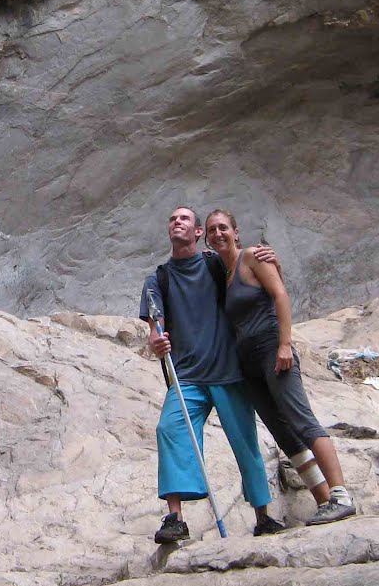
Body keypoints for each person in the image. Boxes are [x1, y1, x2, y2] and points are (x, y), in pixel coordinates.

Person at [141, 207, 287, 543]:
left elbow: (252, 276)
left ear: (197, 234)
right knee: (170, 428)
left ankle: (262, 516)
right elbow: (154, 326)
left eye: (184, 220)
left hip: (227, 370)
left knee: (244, 441)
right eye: (172, 219)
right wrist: (156, 340)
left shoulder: (215, 264)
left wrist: (271, 261)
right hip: (188, 376)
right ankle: (175, 518)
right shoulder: (158, 278)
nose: (177, 222)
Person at [203, 208, 358, 524]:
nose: (218, 234)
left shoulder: (252, 257)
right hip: (249, 366)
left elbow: (280, 294)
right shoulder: (226, 273)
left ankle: (341, 494)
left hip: (272, 348)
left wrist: (285, 344)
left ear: (236, 232)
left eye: (222, 228)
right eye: (211, 230)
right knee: (284, 434)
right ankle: (324, 500)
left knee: (301, 419)